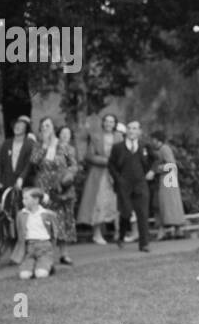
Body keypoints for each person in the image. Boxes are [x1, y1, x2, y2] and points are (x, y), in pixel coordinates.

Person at [32, 117, 79, 266]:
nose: (46, 128)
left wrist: (68, 176)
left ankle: (64, 254)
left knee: (63, 220)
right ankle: (47, 255)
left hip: (61, 188)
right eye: (43, 126)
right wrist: (45, 146)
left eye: (48, 125)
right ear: (40, 130)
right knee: (47, 222)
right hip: (44, 188)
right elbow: (34, 162)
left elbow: (74, 165)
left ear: (53, 128)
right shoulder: (38, 146)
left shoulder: (63, 146)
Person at [108, 120, 156, 253]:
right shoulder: (118, 147)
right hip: (124, 185)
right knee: (126, 213)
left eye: (134, 128)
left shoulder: (144, 145)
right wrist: (118, 179)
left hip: (141, 184)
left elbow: (156, 160)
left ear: (139, 131)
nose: (131, 131)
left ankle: (144, 244)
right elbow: (111, 165)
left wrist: (152, 171)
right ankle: (121, 236)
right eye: (129, 128)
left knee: (142, 213)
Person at [78, 113, 121, 245]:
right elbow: (89, 156)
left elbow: (122, 154)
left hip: (115, 174)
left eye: (111, 122)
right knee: (98, 202)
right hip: (99, 173)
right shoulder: (96, 137)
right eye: (106, 121)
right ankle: (97, 233)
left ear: (115, 124)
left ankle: (118, 232)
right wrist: (106, 161)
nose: (109, 124)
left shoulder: (118, 137)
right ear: (103, 123)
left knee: (115, 202)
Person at [15, 188, 59, 280]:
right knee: (24, 276)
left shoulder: (48, 214)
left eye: (26, 199)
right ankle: (34, 266)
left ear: (36, 200)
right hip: (29, 247)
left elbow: (54, 232)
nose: (23, 201)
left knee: (41, 275)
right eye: (23, 199)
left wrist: (53, 245)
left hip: (44, 246)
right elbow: (20, 232)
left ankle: (46, 266)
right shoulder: (21, 214)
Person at [152, 131, 188, 240]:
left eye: (153, 139)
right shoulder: (161, 149)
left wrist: (156, 169)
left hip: (168, 180)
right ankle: (177, 231)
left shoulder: (164, 149)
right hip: (167, 180)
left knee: (166, 205)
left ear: (157, 140)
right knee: (168, 205)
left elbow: (171, 164)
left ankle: (167, 230)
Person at [0, 115, 37, 197]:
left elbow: (29, 165)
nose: (17, 127)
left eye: (21, 125)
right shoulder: (6, 144)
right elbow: (0, 165)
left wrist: (21, 178)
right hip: (6, 186)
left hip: (24, 186)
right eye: (16, 124)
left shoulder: (30, 145)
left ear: (26, 128)